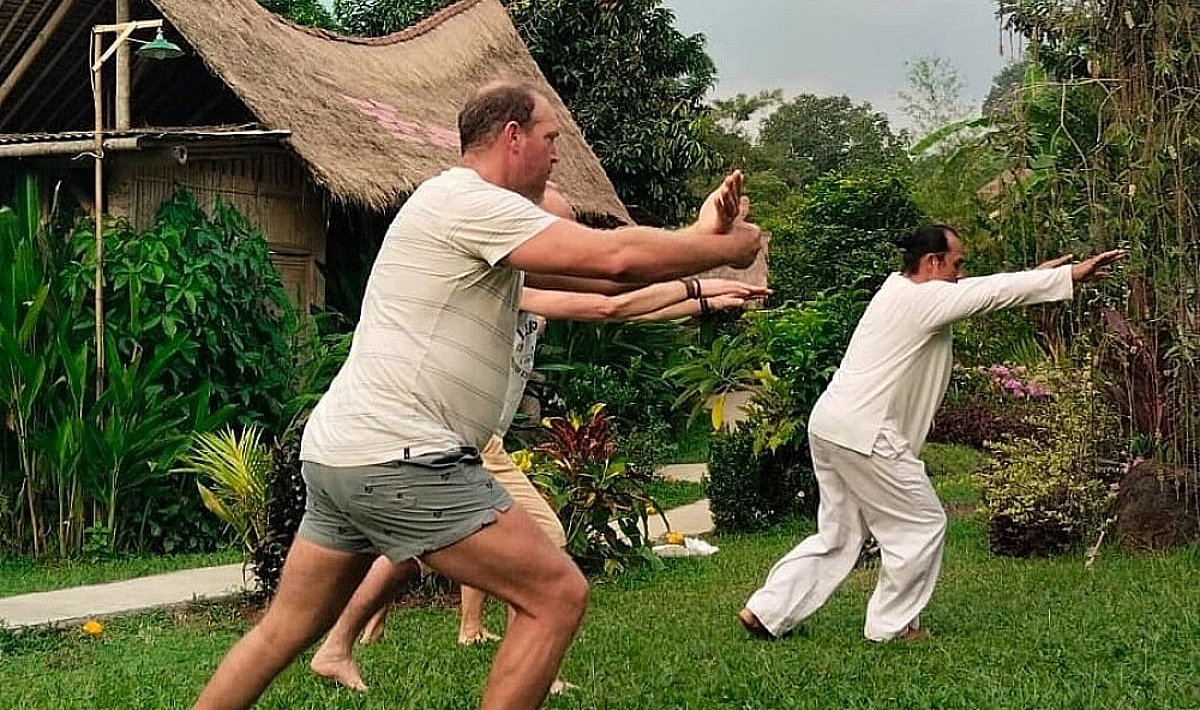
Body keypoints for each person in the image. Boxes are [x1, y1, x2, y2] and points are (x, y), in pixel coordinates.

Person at [189, 79, 762, 710]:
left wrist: (698, 236)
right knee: (556, 595)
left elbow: (603, 285)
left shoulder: (464, 215)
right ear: (512, 136)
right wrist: (721, 250)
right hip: (398, 452)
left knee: (280, 632)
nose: (556, 155)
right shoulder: (468, 200)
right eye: (549, 139)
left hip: (345, 451)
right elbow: (615, 260)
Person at [310, 186, 769, 693]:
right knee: (543, 542)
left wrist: (706, 295)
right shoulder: (508, 279)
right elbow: (607, 304)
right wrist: (701, 280)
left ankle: (341, 643)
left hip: (480, 441)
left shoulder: (526, 282)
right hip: (458, 440)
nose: (568, 241)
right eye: (558, 229)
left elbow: (624, 304)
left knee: (415, 551)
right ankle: (527, 668)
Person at [737, 224, 1122, 643]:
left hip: (831, 426)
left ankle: (766, 611)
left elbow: (978, 291)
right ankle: (893, 627)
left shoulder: (898, 291)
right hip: (866, 433)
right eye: (956, 264)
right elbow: (986, 294)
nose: (960, 272)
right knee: (922, 523)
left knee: (840, 534)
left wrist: (1037, 276)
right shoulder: (923, 301)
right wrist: (1067, 277)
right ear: (932, 262)